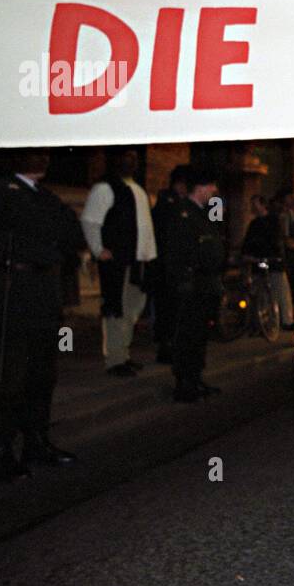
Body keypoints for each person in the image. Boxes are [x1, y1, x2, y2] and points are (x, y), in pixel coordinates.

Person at [0, 149, 86, 481]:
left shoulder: (44, 196)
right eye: (32, 154)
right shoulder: (4, 193)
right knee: (8, 373)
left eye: (43, 154)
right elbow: (40, 229)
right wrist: (50, 236)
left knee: (42, 372)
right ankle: (0, 451)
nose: (41, 160)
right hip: (15, 287)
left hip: (44, 288)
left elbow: (73, 234)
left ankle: (36, 440)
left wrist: (52, 239)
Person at [81, 148, 157, 377]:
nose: (131, 162)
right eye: (126, 158)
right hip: (119, 260)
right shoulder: (105, 188)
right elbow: (90, 221)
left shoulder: (137, 189)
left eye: (134, 158)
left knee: (132, 310)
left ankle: (123, 354)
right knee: (116, 310)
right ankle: (114, 359)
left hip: (138, 260)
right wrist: (98, 249)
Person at [161, 168, 225, 403]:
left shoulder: (204, 213)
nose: (215, 191)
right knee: (186, 336)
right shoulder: (182, 214)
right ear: (201, 188)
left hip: (205, 285)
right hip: (190, 286)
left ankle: (195, 377)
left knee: (199, 336)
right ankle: (184, 382)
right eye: (212, 187)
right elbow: (177, 253)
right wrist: (183, 282)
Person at [150, 165, 191, 364]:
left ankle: (173, 345)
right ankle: (166, 347)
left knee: (176, 310)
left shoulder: (181, 203)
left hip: (176, 266)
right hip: (166, 266)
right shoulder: (167, 202)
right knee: (167, 309)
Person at [241, 194, 293, 327]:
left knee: (280, 291)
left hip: (273, 262)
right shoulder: (254, 224)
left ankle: (286, 320)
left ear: (263, 205)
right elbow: (249, 242)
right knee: (259, 291)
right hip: (258, 261)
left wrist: (274, 255)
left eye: (255, 203)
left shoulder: (273, 221)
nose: (252, 207)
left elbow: (276, 241)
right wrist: (247, 255)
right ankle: (261, 321)